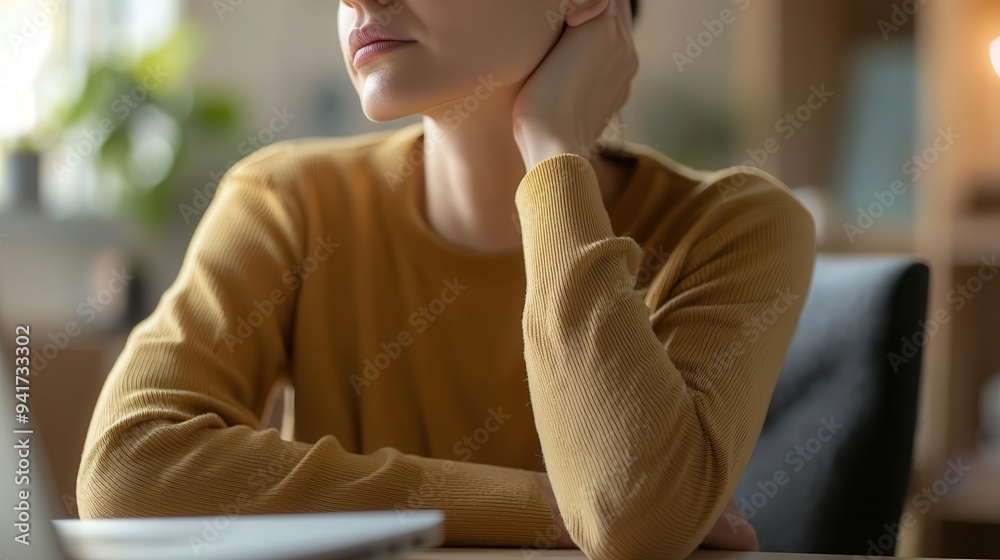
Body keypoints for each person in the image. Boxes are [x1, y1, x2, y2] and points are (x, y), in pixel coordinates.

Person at [77, 1, 816, 558]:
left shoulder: (734, 228)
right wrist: (546, 509)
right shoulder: (289, 202)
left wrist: (553, 149)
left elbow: (630, 517)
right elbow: (126, 468)